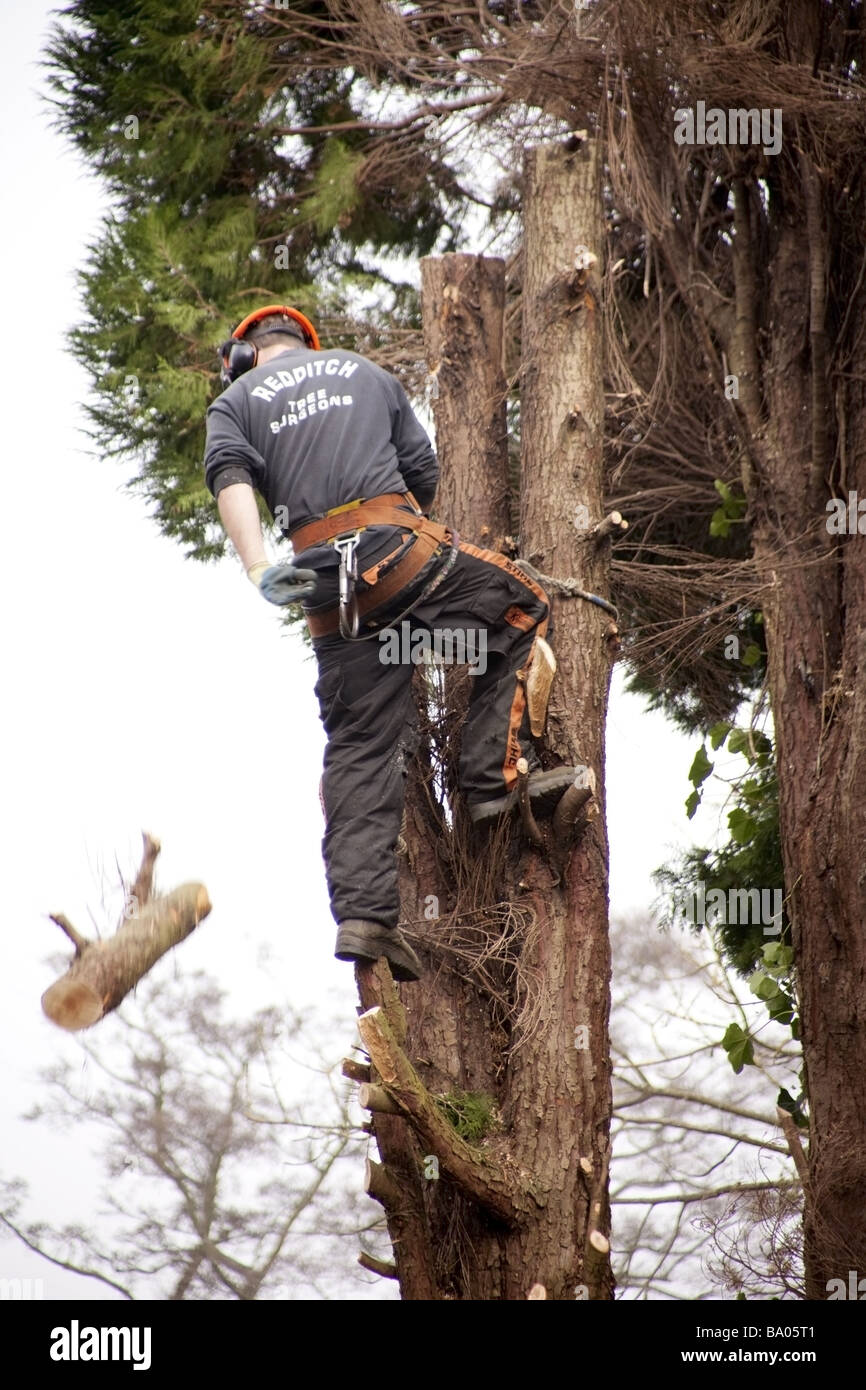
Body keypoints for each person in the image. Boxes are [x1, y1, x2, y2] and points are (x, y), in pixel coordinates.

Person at [204, 304, 581, 981]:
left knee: (359, 744)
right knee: (521, 608)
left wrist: (259, 568)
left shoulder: (234, 402)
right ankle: (490, 782)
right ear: (308, 345)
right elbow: (423, 477)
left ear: (242, 355)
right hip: (400, 555)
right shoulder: (365, 372)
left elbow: (229, 479)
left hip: (328, 594)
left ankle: (366, 918)